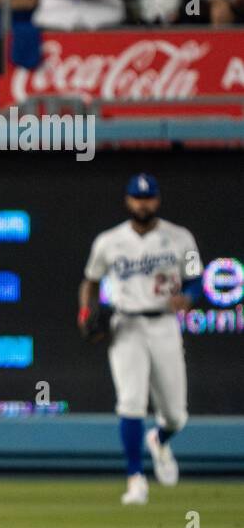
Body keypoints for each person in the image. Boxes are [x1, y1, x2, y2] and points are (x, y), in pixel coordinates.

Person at [79, 174, 201, 506]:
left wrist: (188, 299)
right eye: (136, 197)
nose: (142, 203)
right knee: (130, 402)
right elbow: (90, 282)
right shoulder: (109, 241)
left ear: (157, 200)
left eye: (147, 198)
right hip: (126, 324)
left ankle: (158, 438)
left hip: (164, 324)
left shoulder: (180, 238)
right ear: (127, 200)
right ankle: (136, 480)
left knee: (176, 415)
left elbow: (196, 280)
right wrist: (84, 314)